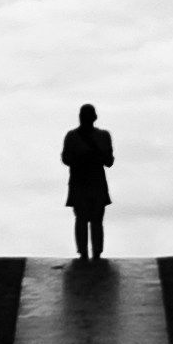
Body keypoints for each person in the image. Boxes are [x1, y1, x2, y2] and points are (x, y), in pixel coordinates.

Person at [60, 101, 113, 261]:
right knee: (87, 219)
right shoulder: (100, 136)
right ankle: (88, 252)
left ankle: (91, 252)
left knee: (90, 219)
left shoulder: (78, 136)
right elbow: (67, 158)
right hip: (83, 182)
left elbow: (108, 160)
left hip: (88, 182)